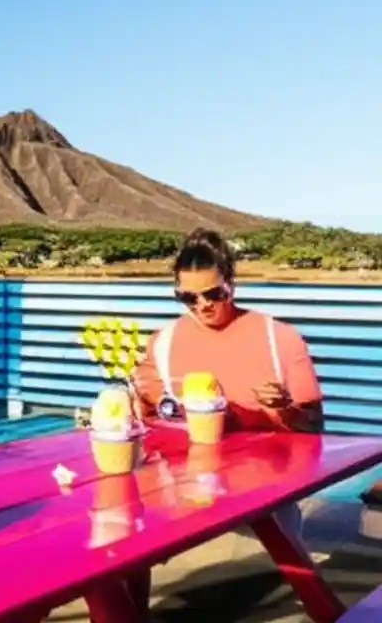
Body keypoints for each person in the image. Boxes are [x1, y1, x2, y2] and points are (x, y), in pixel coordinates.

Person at [127, 228, 322, 603]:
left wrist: (283, 408)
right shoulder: (163, 342)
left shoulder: (277, 338)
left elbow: (313, 427)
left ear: (231, 284)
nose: (202, 305)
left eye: (214, 294)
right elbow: (146, 418)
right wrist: (133, 406)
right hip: (183, 477)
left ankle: (318, 600)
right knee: (123, 524)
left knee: (289, 556)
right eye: (187, 298)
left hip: (265, 478)